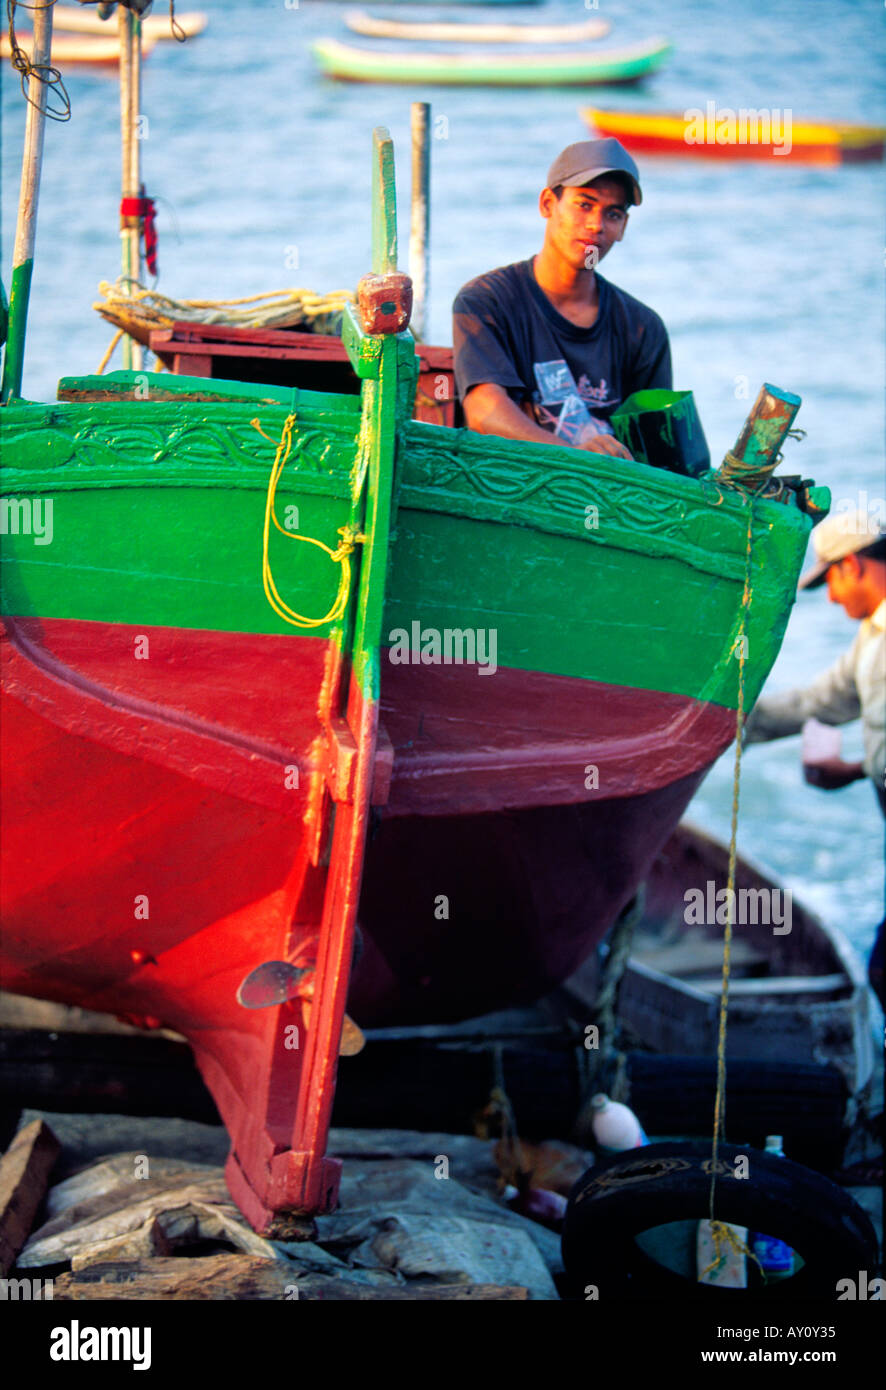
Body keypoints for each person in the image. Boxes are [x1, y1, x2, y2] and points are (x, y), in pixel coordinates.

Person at [744, 506, 886, 1005]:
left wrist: (850, 770)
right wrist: (727, 721)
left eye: (830, 581)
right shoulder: (872, 637)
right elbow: (814, 703)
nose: (830, 597)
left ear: (851, 565)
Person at [452, 138, 672, 461]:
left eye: (612, 214)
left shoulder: (643, 329)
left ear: (623, 226)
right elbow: (484, 413)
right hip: (511, 491)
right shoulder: (486, 302)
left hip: (607, 500)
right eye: (584, 204)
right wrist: (575, 457)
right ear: (547, 204)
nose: (596, 225)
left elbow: (658, 447)